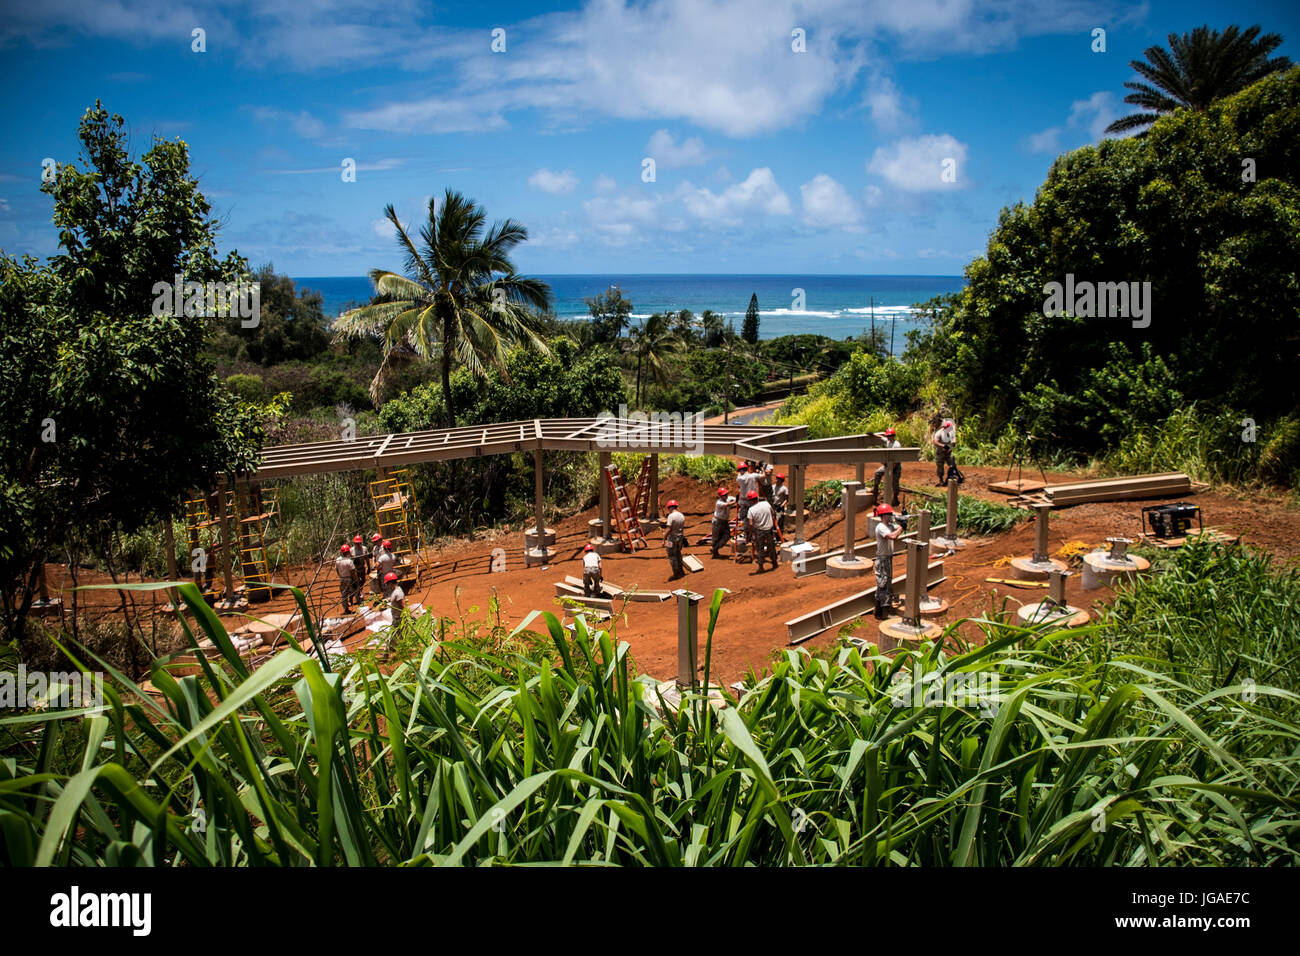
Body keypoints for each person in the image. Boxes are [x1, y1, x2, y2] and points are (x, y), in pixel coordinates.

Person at [874, 505, 902, 618]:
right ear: (884, 516)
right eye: (889, 514)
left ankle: (879, 610)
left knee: (886, 583)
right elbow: (893, 536)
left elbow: (896, 529)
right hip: (883, 559)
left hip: (888, 558)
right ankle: (884, 613)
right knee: (884, 584)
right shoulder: (881, 527)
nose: (891, 516)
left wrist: (902, 523)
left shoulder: (889, 526)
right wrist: (901, 527)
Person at [746, 490, 778, 572]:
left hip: (759, 531)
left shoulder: (751, 510)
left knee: (760, 548)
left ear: (750, 500)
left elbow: (750, 523)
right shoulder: (766, 503)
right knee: (771, 546)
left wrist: (750, 533)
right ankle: (774, 562)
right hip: (769, 529)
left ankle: (761, 566)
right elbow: (773, 513)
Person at [872, 427, 903, 506]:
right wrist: (873, 434)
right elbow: (881, 437)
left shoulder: (896, 445)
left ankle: (895, 498)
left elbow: (896, 459)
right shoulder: (888, 441)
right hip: (888, 464)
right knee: (877, 473)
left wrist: (891, 470)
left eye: (889, 436)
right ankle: (875, 490)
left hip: (896, 465)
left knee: (894, 482)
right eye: (887, 436)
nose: (888, 437)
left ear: (893, 436)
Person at [664, 499, 686, 579]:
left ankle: (676, 573)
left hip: (671, 539)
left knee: (672, 555)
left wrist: (664, 539)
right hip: (680, 538)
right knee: (678, 554)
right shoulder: (681, 515)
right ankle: (681, 571)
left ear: (670, 507)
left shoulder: (671, 516)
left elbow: (669, 529)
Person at [710, 487, 734, 559]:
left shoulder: (729, 498)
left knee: (727, 536)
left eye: (726, 494)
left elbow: (734, 499)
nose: (726, 496)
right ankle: (715, 552)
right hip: (718, 521)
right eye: (724, 495)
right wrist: (736, 501)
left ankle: (715, 549)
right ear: (720, 496)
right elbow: (727, 504)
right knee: (716, 537)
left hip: (724, 521)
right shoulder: (719, 503)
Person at [933, 418, 959, 486]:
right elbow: (935, 442)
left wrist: (951, 446)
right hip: (940, 452)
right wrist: (943, 446)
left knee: (953, 464)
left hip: (948, 452)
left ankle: (952, 477)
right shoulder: (939, 433)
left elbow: (954, 441)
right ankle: (941, 480)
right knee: (940, 466)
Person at [335, 544, 358, 613]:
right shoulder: (349, 561)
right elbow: (353, 572)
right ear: (348, 552)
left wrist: (340, 576)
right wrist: (355, 580)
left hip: (342, 578)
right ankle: (354, 601)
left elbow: (337, 570)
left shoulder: (338, 560)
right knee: (354, 590)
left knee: (344, 594)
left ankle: (346, 608)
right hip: (349, 578)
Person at [736, 462, 758, 527]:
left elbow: (739, 476)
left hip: (743, 500)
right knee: (753, 515)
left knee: (744, 517)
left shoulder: (739, 478)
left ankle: (746, 529)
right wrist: (761, 469)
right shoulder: (753, 476)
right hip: (752, 500)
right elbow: (763, 476)